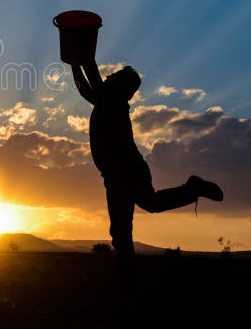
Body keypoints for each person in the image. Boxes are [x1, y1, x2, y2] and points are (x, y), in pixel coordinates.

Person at [70, 60, 223, 287]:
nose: (108, 78)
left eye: (112, 77)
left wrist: (84, 55)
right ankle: (192, 189)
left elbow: (91, 76)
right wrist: (74, 63)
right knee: (143, 211)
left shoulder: (113, 103)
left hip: (126, 171)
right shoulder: (106, 102)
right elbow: (84, 87)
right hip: (120, 173)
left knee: (123, 230)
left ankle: (128, 283)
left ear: (120, 87)